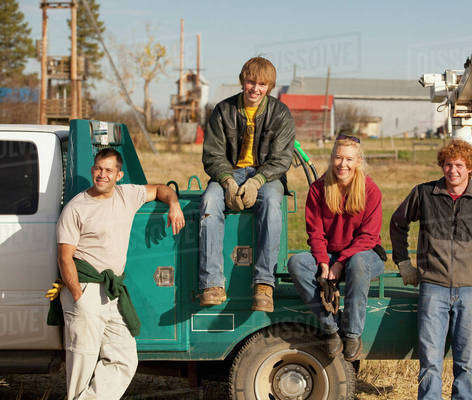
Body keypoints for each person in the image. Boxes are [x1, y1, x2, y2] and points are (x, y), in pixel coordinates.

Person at [390, 140, 472, 400]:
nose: (453, 171)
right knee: (430, 360)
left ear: (470, 168)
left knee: (466, 359)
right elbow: (398, 223)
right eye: (448, 165)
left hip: (470, 290)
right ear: (442, 166)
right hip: (433, 288)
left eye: (460, 165)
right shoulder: (424, 194)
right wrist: (404, 262)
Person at [54, 148, 185, 400]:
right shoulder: (77, 207)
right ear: (93, 169)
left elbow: (160, 189)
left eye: (108, 170)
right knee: (82, 363)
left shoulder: (128, 195)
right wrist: (79, 298)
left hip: (112, 292)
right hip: (85, 289)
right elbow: (64, 257)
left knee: (125, 359)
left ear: (119, 175)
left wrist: (174, 204)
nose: (102, 174)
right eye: (98, 168)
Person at [198, 57, 295, 312]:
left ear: (269, 86)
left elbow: (282, 158)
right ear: (243, 81)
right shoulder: (223, 111)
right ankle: (212, 283)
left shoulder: (280, 114)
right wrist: (228, 181)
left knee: (274, 202)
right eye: (251, 82)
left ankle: (264, 283)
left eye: (262, 84)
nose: (255, 89)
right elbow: (212, 154)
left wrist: (257, 181)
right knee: (209, 201)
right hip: (229, 173)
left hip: (266, 176)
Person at [287, 135, 385, 361]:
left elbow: (368, 237)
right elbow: (316, 232)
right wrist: (323, 262)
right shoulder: (318, 189)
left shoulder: (371, 191)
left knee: (358, 263)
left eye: (349, 159)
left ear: (358, 161)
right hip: (330, 254)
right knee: (297, 263)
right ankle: (330, 329)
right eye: (338, 158)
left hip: (365, 253)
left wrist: (340, 263)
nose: (343, 164)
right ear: (332, 159)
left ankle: (352, 333)